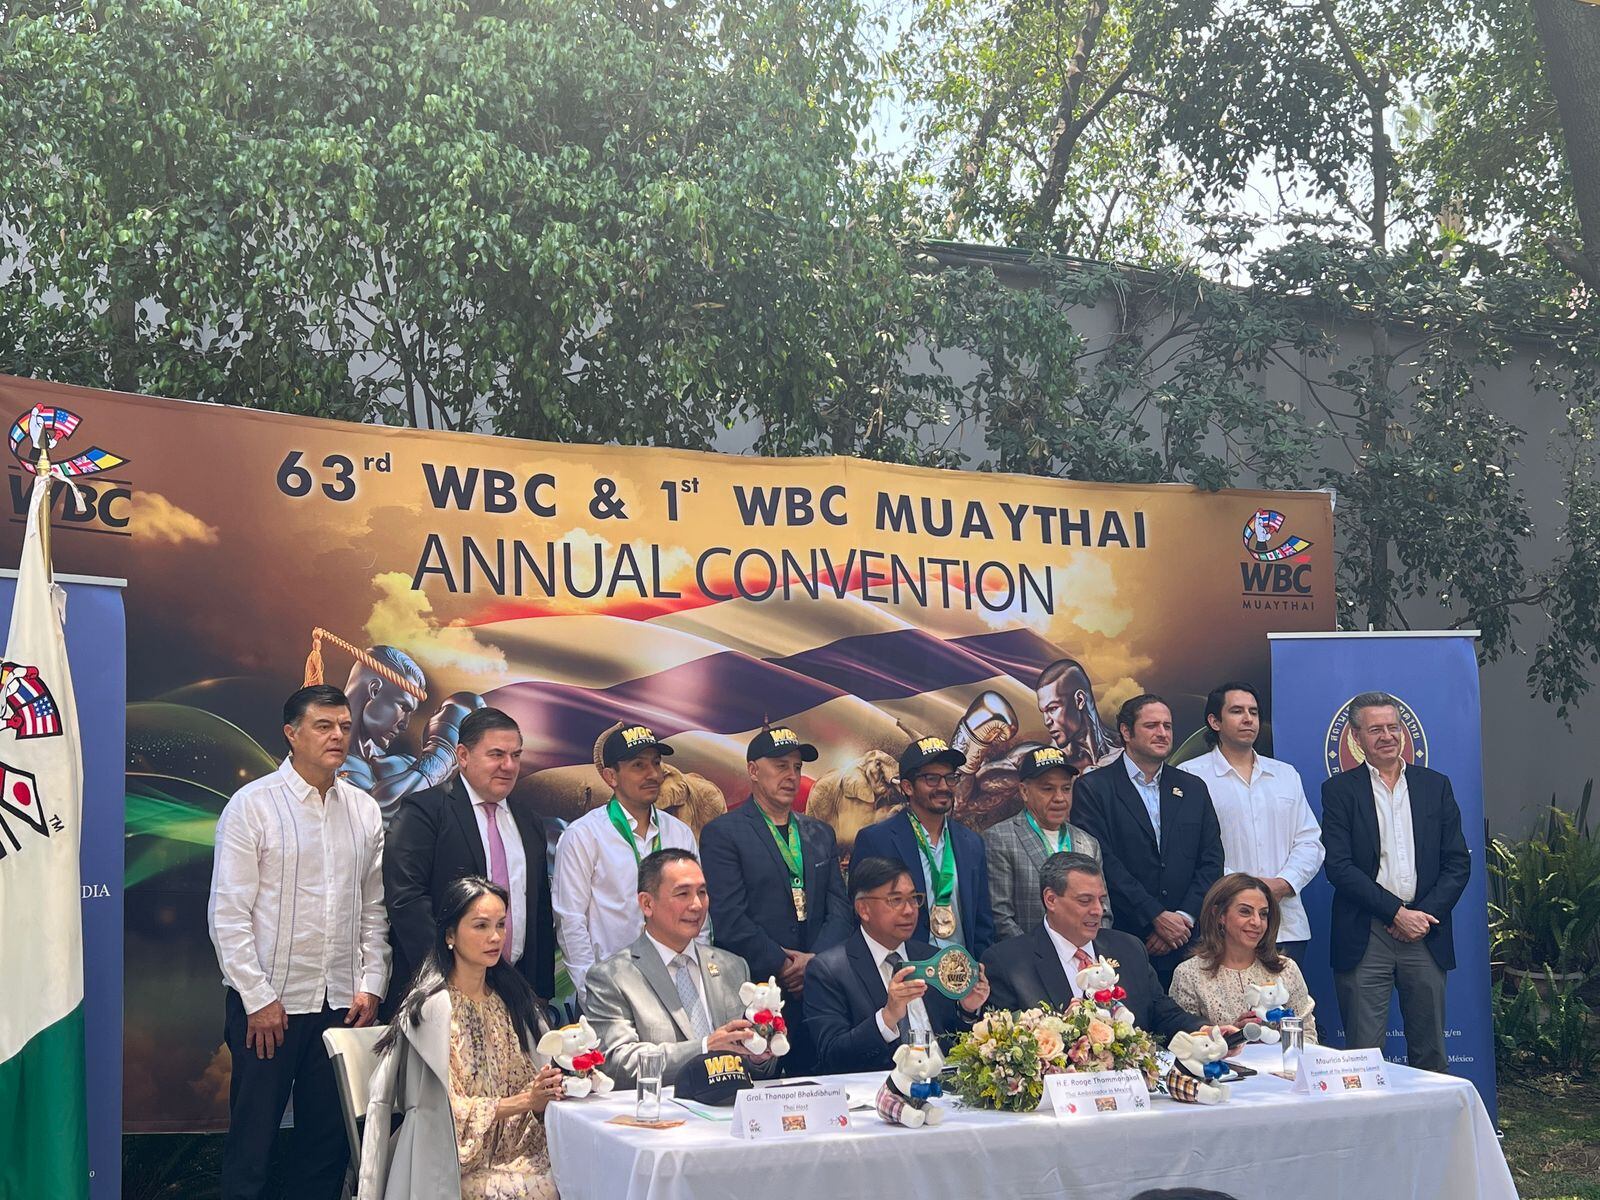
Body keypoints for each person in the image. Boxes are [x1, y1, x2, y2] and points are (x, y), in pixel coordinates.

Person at [207, 685, 389, 1200]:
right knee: (253, 1148)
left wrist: (372, 983)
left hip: (342, 1005)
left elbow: (373, 908)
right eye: (323, 726)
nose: (337, 736)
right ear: (291, 734)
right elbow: (228, 914)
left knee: (325, 1148)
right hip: (269, 1009)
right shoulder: (253, 806)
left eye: (345, 727)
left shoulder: (364, 810)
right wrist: (257, 998)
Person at [359, 876, 562, 1200]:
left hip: (519, 1154)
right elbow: (439, 1111)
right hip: (450, 1163)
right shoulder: (430, 1010)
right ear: (450, 935)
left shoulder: (512, 1000)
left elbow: (530, 1083)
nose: (495, 937)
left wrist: (550, 1088)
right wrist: (526, 1101)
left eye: (500, 925)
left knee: (583, 1172)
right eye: (481, 926)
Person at [1321, 691, 1470, 1072]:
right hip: (1366, 932)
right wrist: (1395, 913)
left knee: (1431, 1053)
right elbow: (1339, 867)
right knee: (1363, 1056)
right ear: (1356, 737)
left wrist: (1421, 916)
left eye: (1393, 727)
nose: (1387, 736)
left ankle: (1432, 1116)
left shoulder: (1435, 785)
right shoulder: (1339, 791)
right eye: (1376, 730)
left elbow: (1457, 862)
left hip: (1425, 932)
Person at [699, 726, 854, 1073]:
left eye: (797, 767)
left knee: (821, 1086)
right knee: (760, 1087)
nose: (792, 776)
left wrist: (814, 963)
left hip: (819, 990)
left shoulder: (819, 833)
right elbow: (729, 917)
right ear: (753, 770)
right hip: (756, 989)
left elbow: (840, 909)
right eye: (781, 766)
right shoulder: (723, 833)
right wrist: (783, 964)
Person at [383, 708, 554, 1015]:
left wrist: (540, 991)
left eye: (515, 755)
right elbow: (406, 900)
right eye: (496, 754)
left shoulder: (529, 822)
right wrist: (450, 976)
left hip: (516, 995)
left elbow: (538, 908)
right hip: (440, 995)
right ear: (462, 755)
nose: (508, 766)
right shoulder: (424, 813)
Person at [582, 848, 778, 1086]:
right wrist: (704, 1048)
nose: (696, 905)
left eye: (702, 892)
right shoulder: (613, 977)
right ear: (647, 904)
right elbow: (617, 1063)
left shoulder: (733, 966)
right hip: (662, 1107)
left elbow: (758, 1069)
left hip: (729, 1104)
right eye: (683, 894)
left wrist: (759, 1052)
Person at [1071, 694, 1224, 987]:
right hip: (1126, 939)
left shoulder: (1192, 788)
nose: (1162, 733)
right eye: (1152, 725)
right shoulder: (1095, 788)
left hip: (1188, 942)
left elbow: (1212, 859)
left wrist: (1183, 918)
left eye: (1167, 726)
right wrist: (1154, 915)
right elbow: (1101, 861)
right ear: (1126, 732)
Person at [979, 852, 1207, 1043]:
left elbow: (1163, 1014)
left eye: (1101, 899)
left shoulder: (1129, 948)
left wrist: (1204, 1031)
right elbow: (1003, 1044)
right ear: (1051, 900)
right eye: (1085, 901)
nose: (1098, 910)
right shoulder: (1007, 962)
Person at [552, 722, 700, 1005]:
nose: (653, 774)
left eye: (656, 763)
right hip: (615, 990)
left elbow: (697, 910)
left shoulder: (679, 833)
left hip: (678, 987)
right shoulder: (583, 835)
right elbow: (570, 920)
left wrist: (697, 980)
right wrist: (592, 993)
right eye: (638, 765)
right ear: (611, 776)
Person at [804, 856, 991, 1073]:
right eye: (895, 900)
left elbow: (953, 1041)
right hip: (880, 1087)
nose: (909, 910)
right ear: (863, 909)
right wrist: (888, 1017)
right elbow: (832, 1055)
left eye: (914, 898)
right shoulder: (829, 970)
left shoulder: (931, 958)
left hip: (946, 1082)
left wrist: (968, 1010)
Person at [1194, 681, 1324, 964]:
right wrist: (1244, 890)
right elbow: (1191, 851)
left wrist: (1284, 883)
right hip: (1223, 925)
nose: (1248, 719)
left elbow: (1309, 841)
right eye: (1237, 711)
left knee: (1287, 994)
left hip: (1286, 924)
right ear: (1214, 721)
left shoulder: (1285, 775)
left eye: (1253, 712)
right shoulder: (1192, 776)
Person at [852, 735, 995, 958]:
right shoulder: (876, 840)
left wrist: (980, 966)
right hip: (905, 969)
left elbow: (982, 921)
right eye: (932, 779)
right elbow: (861, 918)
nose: (944, 786)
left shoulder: (971, 843)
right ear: (908, 787)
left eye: (950, 778)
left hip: (962, 970)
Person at [1168, 873, 1318, 1041]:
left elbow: (1308, 1036)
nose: (1257, 922)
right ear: (1219, 915)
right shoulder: (1189, 974)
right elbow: (1183, 1044)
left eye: (1263, 914)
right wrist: (1234, 1037)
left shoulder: (1286, 969)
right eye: (1245, 912)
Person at [984, 746, 1102, 941]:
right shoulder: (1000, 838)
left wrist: (1085, 952)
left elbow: (1103, 912)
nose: (1059, 798)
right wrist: (1045, 956)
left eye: (1066, 789)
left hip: (1084, 956)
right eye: (1048, 789)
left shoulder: (1088, 843)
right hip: (1028, 957)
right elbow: (1001, 918)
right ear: (1024, 791)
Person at [1034, 657, 1120, 771]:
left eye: (1053, 708)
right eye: (1043, 712)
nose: (1047, 721)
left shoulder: (1125, 750)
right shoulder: (1054, 763)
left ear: (1079, 700)